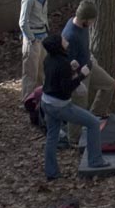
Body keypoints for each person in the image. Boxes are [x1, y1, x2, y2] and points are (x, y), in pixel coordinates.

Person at [41, 33, 110, 180]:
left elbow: (57, 80)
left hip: (46, 102)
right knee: (93, 123)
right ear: (59, 46)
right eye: (63, 40)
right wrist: (82, 75)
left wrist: (72, 69)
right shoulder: (62, 63)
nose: (66, 41)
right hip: (60, 106)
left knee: (52, 136)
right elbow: (67, 88)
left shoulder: (49, 59)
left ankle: (51, 172)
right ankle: (95, 161)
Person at [62, 0, 115, 144]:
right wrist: (77, 81)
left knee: (109, 84)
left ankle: (95, 115)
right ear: (84, 19)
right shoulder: (69, 35)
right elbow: (64, 63)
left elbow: (84, 46)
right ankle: (74, 138)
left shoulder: (83, 26)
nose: (93, 23)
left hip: (89, 65)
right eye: (92, 20)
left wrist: (90, 57)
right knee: (79, 106)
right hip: (78, 74)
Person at [19, 0, 49, 102]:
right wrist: (31, 38)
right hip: (32, 39)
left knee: (41, 69)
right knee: (30, 71)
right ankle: (27, 99)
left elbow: (44, 16)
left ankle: (39, 96)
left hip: (43, 37)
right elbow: (23, 22)